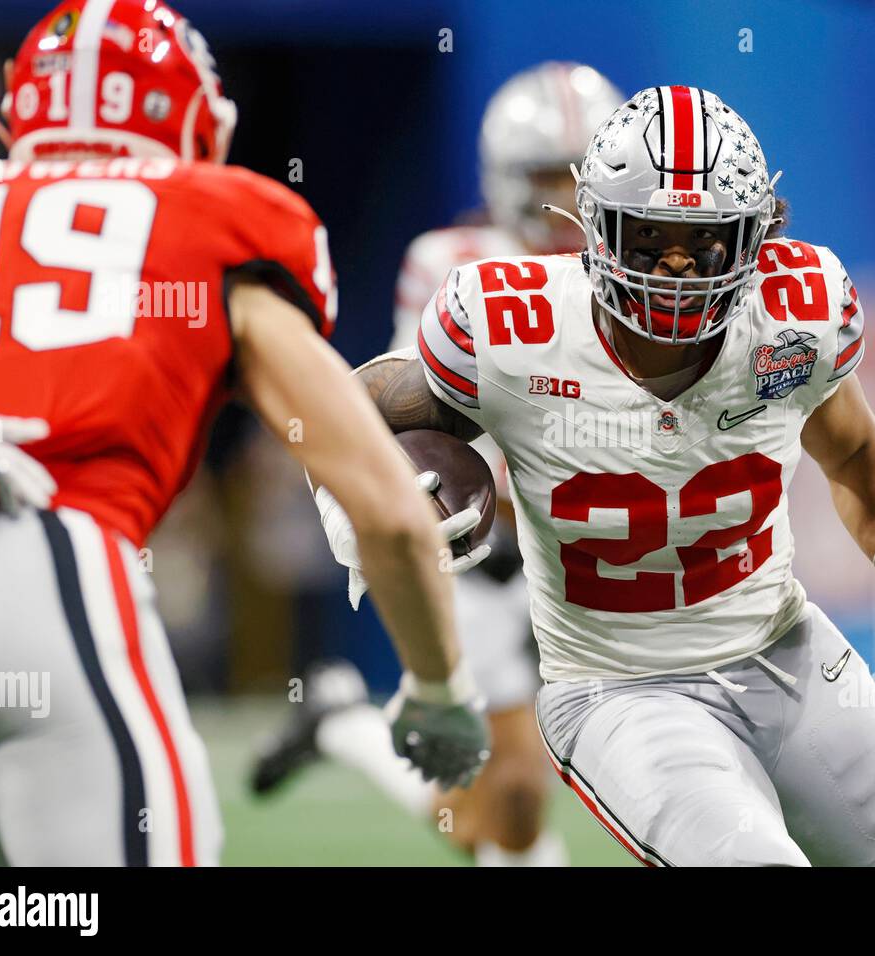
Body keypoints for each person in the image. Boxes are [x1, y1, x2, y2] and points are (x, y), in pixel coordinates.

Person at [315, 86, 875, 866]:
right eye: (649, 239)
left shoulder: (793, 316)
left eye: (701, 243)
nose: (674, 268)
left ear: (755, 237)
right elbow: (341, 407)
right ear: (595, 229)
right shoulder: (517, 325)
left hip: (784, 650)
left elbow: (858, 454)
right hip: (620, 689)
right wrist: (351, 499)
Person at [0, 0, 486, 867]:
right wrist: (439, 690)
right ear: (191, 117)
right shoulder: (210, 217)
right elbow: (385, 507)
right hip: (40, 559)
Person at [253, 61, 622, 868]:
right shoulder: (455, 262)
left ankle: (344, 725)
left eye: (581, 174)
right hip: (491, 549)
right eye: (547, 175)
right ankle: (349, 726)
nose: (565, 196)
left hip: (601, 547)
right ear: (504, 178)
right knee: (514, 800)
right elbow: (425, 425)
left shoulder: (639, 269)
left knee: (496, 806)